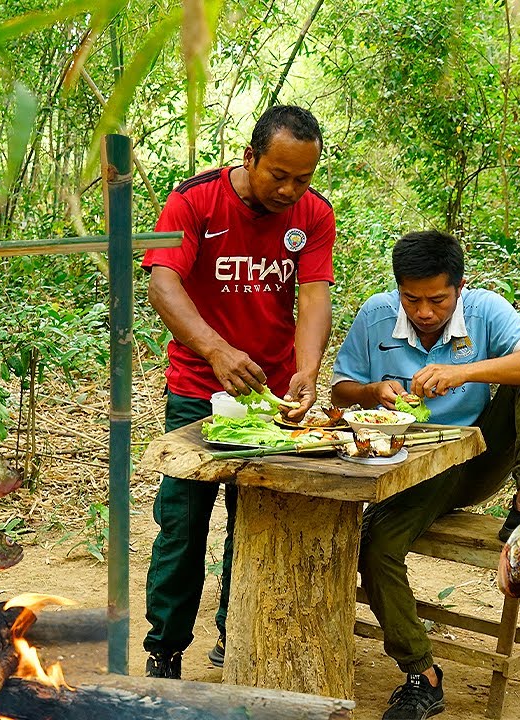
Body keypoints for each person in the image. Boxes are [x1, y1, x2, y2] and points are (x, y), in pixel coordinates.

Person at [331, 230, 520, 719]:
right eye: (411, 299)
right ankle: (423, 673)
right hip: (405, 466)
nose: (423, 311)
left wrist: (466, 372)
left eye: (437, 299)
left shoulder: (484, 310)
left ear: (459, 286)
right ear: (398, 290)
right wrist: (374, 391)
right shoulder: (375, 315)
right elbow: (340, 393)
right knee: (375, 547)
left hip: (475, 456)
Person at [140, 105, 335, 679]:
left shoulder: (314, 215)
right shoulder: (194, 201)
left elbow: (314, 295)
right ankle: (166, 649)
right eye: (280, 174)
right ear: (249, 158)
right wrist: (216, 350)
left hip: (270, 398)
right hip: (199, 390)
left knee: (255, 521)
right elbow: (163, 281)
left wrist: (307, 369)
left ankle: (236, 635)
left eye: (304, 178)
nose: (291, 189)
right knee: (183, 524)